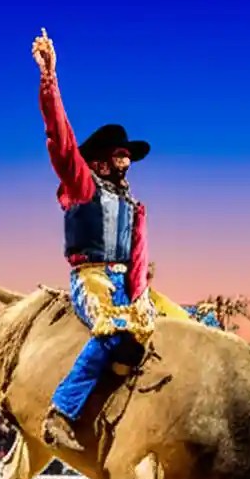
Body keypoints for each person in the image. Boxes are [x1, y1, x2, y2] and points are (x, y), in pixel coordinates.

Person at [32, 28, 160, 453]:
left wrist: (141, 297)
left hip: (126, 282)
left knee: (173, 323)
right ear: (103, 160)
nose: (126, 160)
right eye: (120, 154)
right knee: (110, 330)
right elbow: (60, 139)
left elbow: (138, 258)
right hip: (91, 278)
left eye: (127, 155)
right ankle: (61, 411)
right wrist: (50, 80)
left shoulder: (133, 205)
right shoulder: (84, 185)